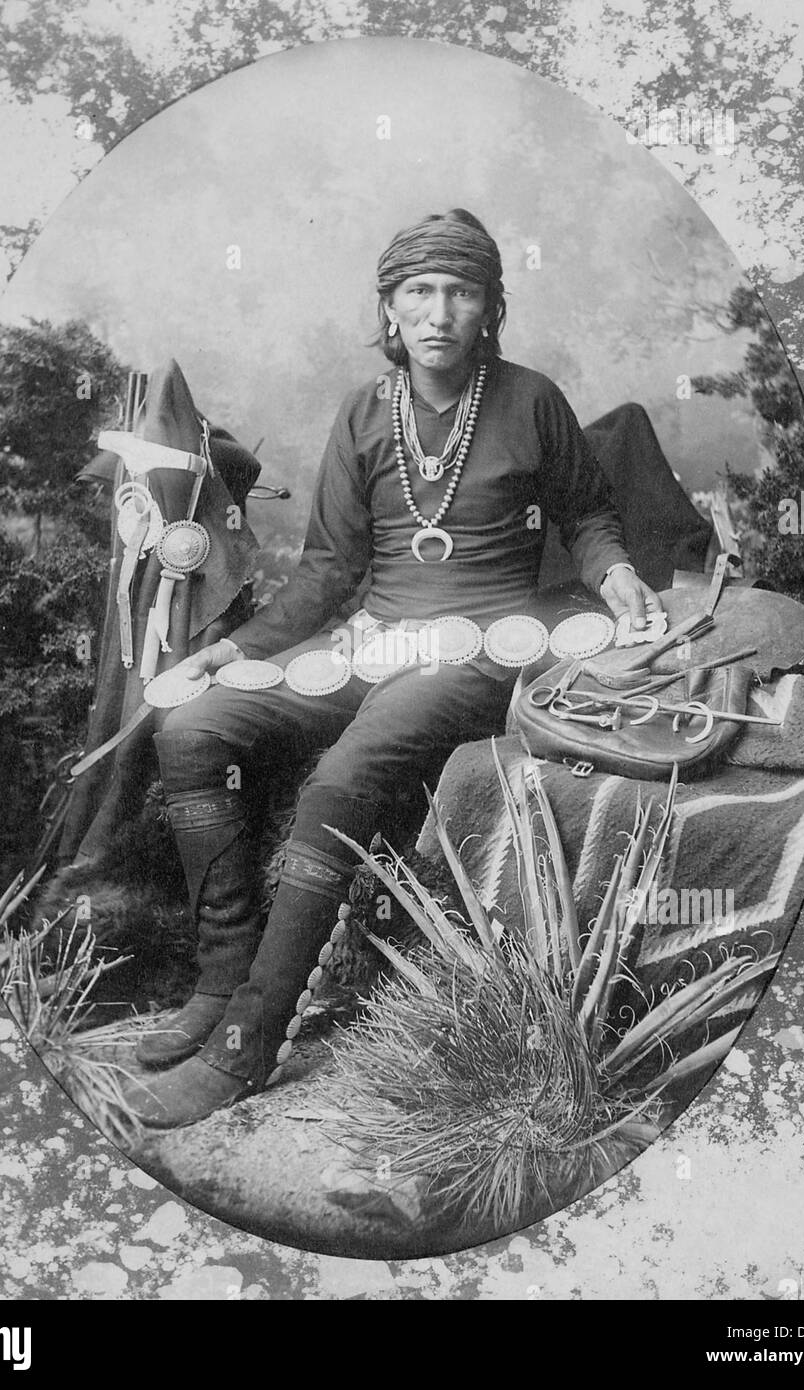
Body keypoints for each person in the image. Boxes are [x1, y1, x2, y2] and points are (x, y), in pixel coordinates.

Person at [126, 208, 662, 1128]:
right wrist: (237, 648)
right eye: (419, 291)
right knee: (192, 727)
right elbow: (330, 569)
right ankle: (219, 983)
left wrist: (613, 573)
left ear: (491, 307)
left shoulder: (531, 400)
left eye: (462, 291)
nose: (439, 312)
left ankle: (248, 1042)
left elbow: (584, 516)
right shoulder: (363, 412)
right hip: (374, 643)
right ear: (389, 309)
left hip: (482, 654)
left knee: (341, 779)